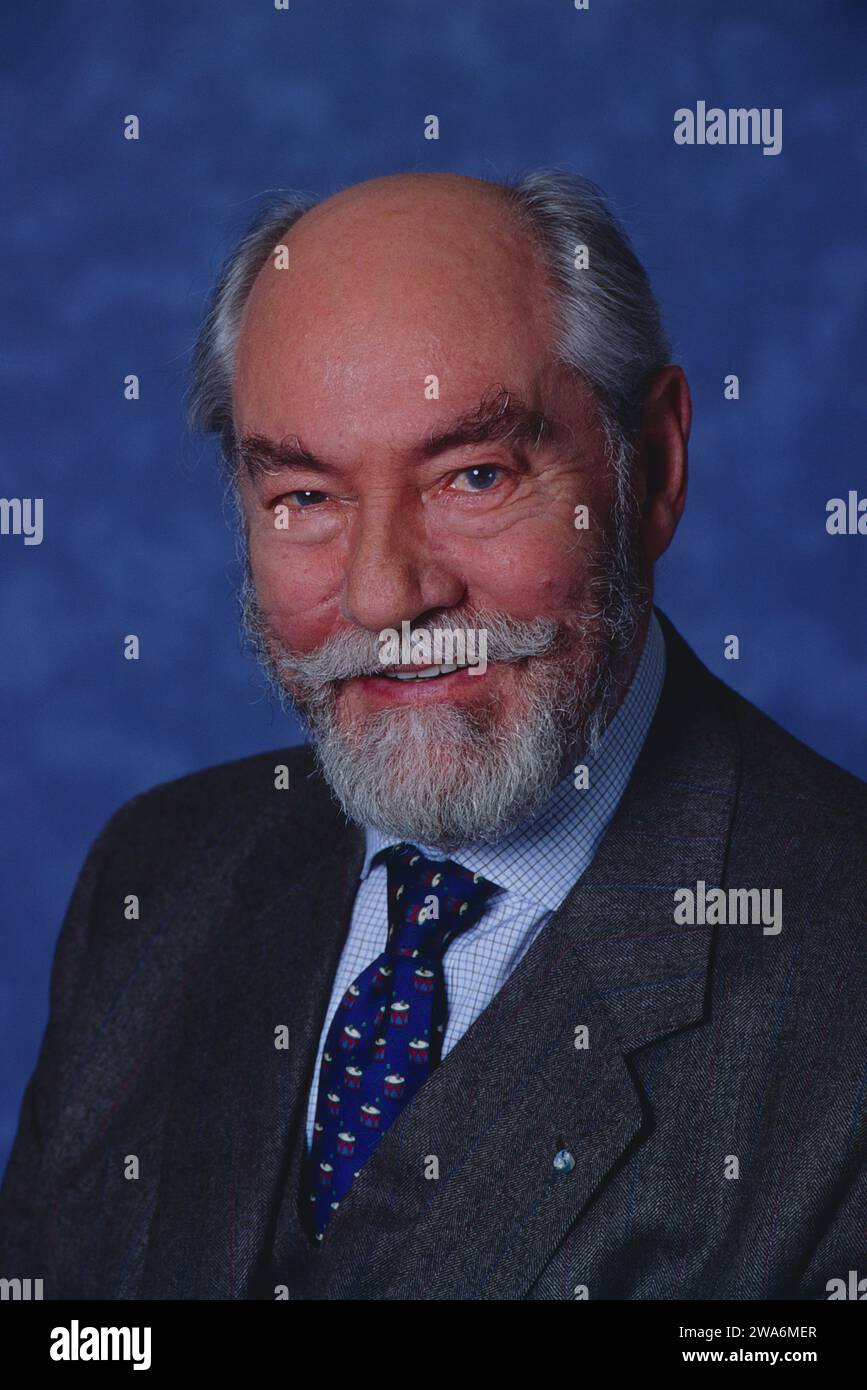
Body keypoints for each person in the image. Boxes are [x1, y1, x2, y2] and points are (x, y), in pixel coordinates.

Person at [1, 170, 864, 1300]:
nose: (381, 596)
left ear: (651, 464)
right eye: (305, 497)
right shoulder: (155, 879)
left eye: (474, 474)